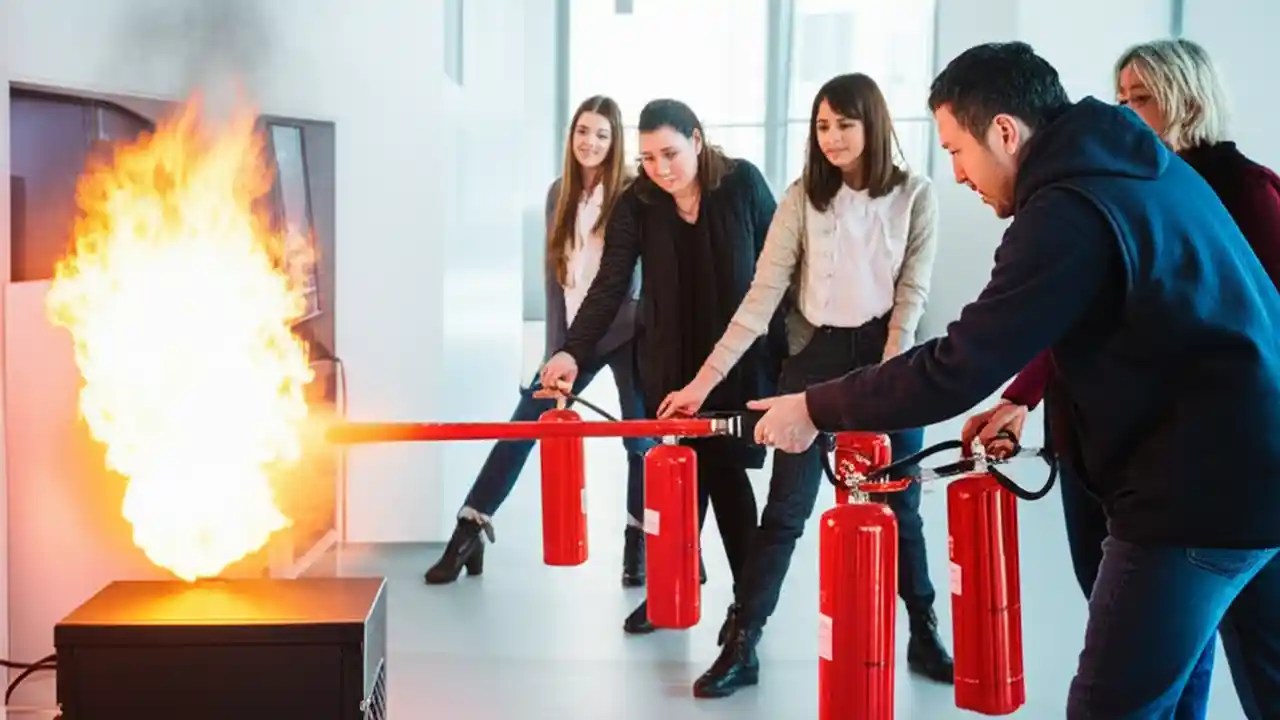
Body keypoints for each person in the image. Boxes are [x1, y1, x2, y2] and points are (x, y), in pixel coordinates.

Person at [747, 41, 1280, 719]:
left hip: (1195, 496)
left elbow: (958, 365)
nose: (958, 174)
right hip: (1259, 471)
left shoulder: (1067, 209)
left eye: (957, 150)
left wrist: (815, 407)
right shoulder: (1139, 168)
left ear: (1004, 131)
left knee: (1112, 708)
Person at [965, 38, 1280, 718]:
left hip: (1213, 464)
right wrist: (1021, 396)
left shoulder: (1234, 188)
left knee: (1226, 658)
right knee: (1163, 657)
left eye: (1141, 97)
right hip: (1128, 448)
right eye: (1121, 96)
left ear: (1187, 99)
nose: (1125, 111)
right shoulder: (1121, 183)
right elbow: (1078, 303)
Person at [655, 73, 951, 697]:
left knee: (900, 505)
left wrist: (888, 382)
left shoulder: (916, 195)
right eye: (822, 126)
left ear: (873, 124)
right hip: (814, 359)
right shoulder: (801, 198)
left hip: (890, 357)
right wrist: (703, 383)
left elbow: (912, 296)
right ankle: (743, 643)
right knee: (786, 510)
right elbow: (760, 299)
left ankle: (923, 631)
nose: (832, 137)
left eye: (845, 124)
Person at [541, 98, 786, 634]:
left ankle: (741, 610)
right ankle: (684, 591)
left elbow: (782, 273)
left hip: (737, 365)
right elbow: (610, 283)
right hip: (672, 368)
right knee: (684, 476)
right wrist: (571, 350)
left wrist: (793, 365)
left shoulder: (742, 184)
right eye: (648, 158)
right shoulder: (639, 202)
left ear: (697, 140)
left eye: (670, 153)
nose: (660, 169)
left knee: (723, 473)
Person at [424, 95, 652, 587]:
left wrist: (584, 343)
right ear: (572, 137)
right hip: (574, 341)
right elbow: (555, 279)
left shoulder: (631, 193)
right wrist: (556, 349)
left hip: (625, 334)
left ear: (615, 142)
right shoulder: (558, 193)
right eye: (583, 132)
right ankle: (469, 528)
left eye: (602, 135)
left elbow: (628, 281)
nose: (590, 142)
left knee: (640, 439)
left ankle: (638, 543)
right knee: (524, 424)